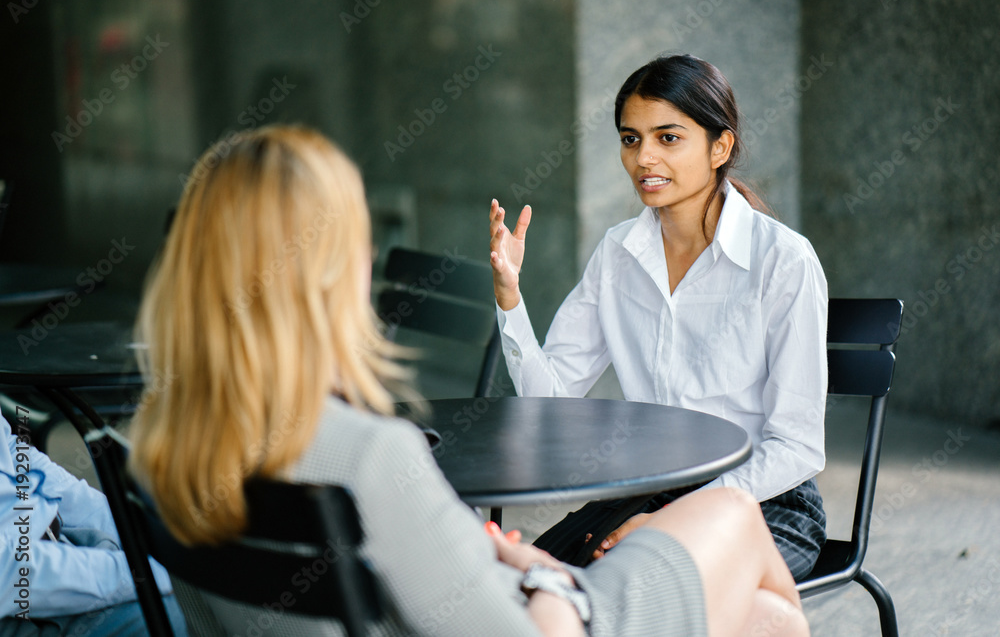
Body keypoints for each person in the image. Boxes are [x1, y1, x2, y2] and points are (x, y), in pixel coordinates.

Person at [127, 124, 809, 636]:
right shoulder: (368, 455)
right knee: (740, 526)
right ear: (329, 272)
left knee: (764, 615)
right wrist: (544, 575)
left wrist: (472, 555)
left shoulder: (159, 443)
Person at [489, 54, 828, 580]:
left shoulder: (783, 261)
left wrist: (669, 520)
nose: (645, 157)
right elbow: (550, 402)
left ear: (720, 147)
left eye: (668, 138)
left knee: (637, 589)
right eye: (631, 139)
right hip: (648, 491)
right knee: (525, 581)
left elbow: (796, 448)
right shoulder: (618, 253)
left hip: (762, 505)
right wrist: (511, 297)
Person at [0, 411, 187, 635]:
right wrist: (147, 574)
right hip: (17, 589)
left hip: (50, 545)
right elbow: (9, 570)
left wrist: (125, 525)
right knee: (159, 614)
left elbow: (9, 449)